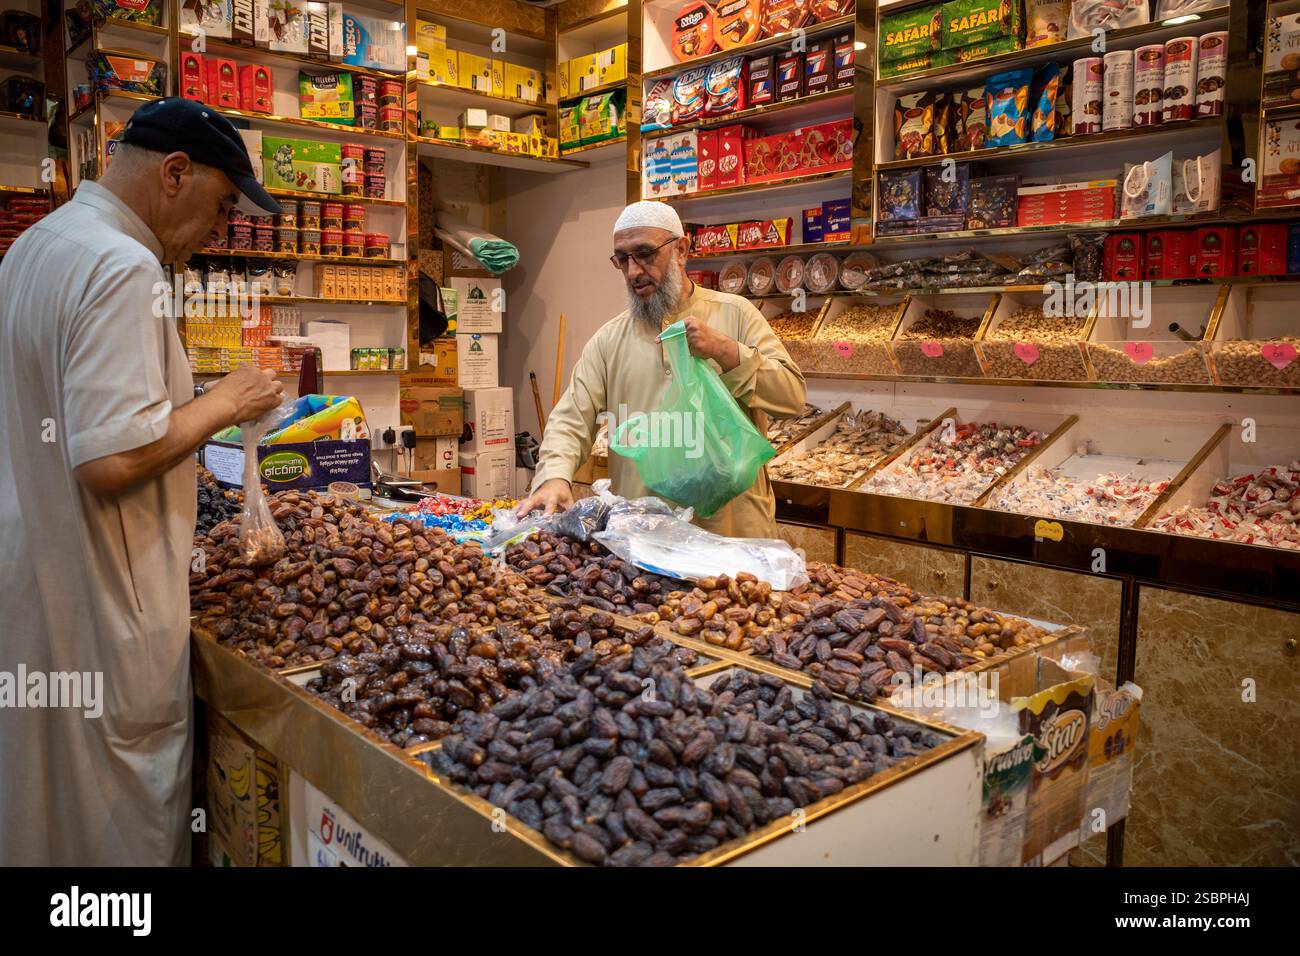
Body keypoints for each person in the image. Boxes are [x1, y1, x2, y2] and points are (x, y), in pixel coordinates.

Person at [0, 98, 286, 865]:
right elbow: (109, 459)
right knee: (112, 833)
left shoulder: (35, 246)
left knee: (43, 815)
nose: (223, 230)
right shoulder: (123, 266)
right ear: (174, 172)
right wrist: (227, 401)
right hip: (101, 609)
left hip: (38, 586)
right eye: (223, 205)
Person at [517, 201, 806, 538]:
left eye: (645, 253)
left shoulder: (737, 314)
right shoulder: (610, 339)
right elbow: (570, 418)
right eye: (622, 259)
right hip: (643, 539)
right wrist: (554, 475)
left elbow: (791, 398)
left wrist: (726, 351)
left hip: (732, 538)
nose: (633, 271)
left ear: (681, 250)